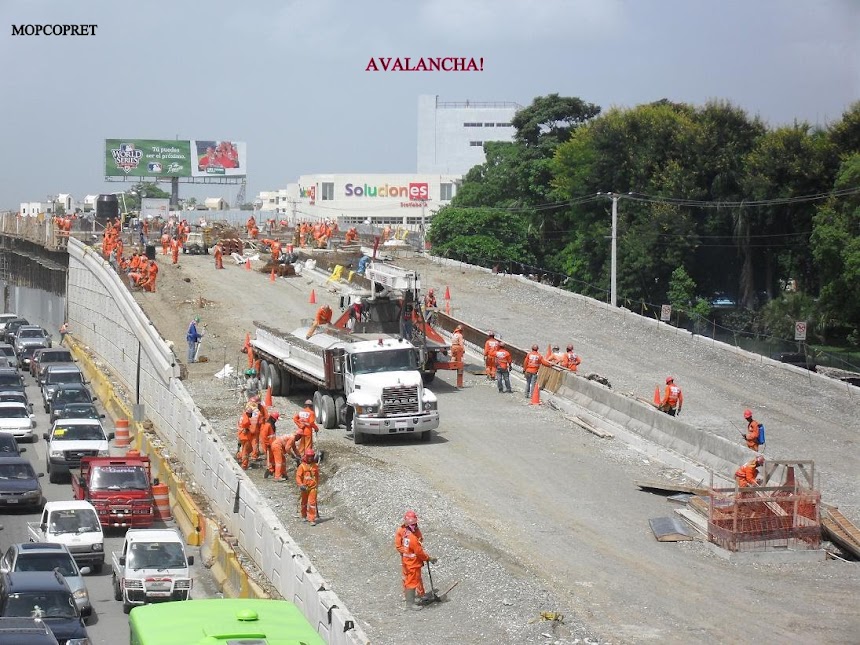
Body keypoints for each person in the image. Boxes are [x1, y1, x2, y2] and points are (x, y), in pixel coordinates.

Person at [400, 512, 437, 608]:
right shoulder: (412, 539)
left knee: (409, 581)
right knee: (411, 583)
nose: (414, 526)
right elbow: (419, 552)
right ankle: (410, 604)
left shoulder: (406, 534)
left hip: (408, 562)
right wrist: (428, 558)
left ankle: (410, 601)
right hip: (413, 564)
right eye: (413, 524)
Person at [394, 510, 427, 601]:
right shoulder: (401, 530)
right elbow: (398, 545)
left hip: (414, 559)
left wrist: (416, 546)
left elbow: (419, 540)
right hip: (407, 559)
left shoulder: (416, 530)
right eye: (411, 524)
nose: (413, 526)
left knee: (417, 577)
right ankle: (407, 596)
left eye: (414, 524)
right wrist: (407, 551)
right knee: (406, 577)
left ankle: (421, 593)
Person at [296, 448, 320, 525]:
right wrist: (300, 485)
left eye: (312, 456)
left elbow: (317, 476)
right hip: (304, 488)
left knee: (312, 503)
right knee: (304, 502)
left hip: (313, 488)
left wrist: (316, 485)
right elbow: (298, 477)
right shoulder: (302, 466)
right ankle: (303, 515)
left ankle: (311, 519)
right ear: (306, 456)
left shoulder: (315, 466)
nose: (310, 458)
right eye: (309, 456)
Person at [260, 410, 279, 479]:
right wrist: (267, 444)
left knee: (272, 457)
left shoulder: (272, 425)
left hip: (273, 444)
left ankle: (272, 469)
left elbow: (273, 435)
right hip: (268, 445)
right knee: (269, 458)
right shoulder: (267, 425)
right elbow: (263, 436)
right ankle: (270, 470)